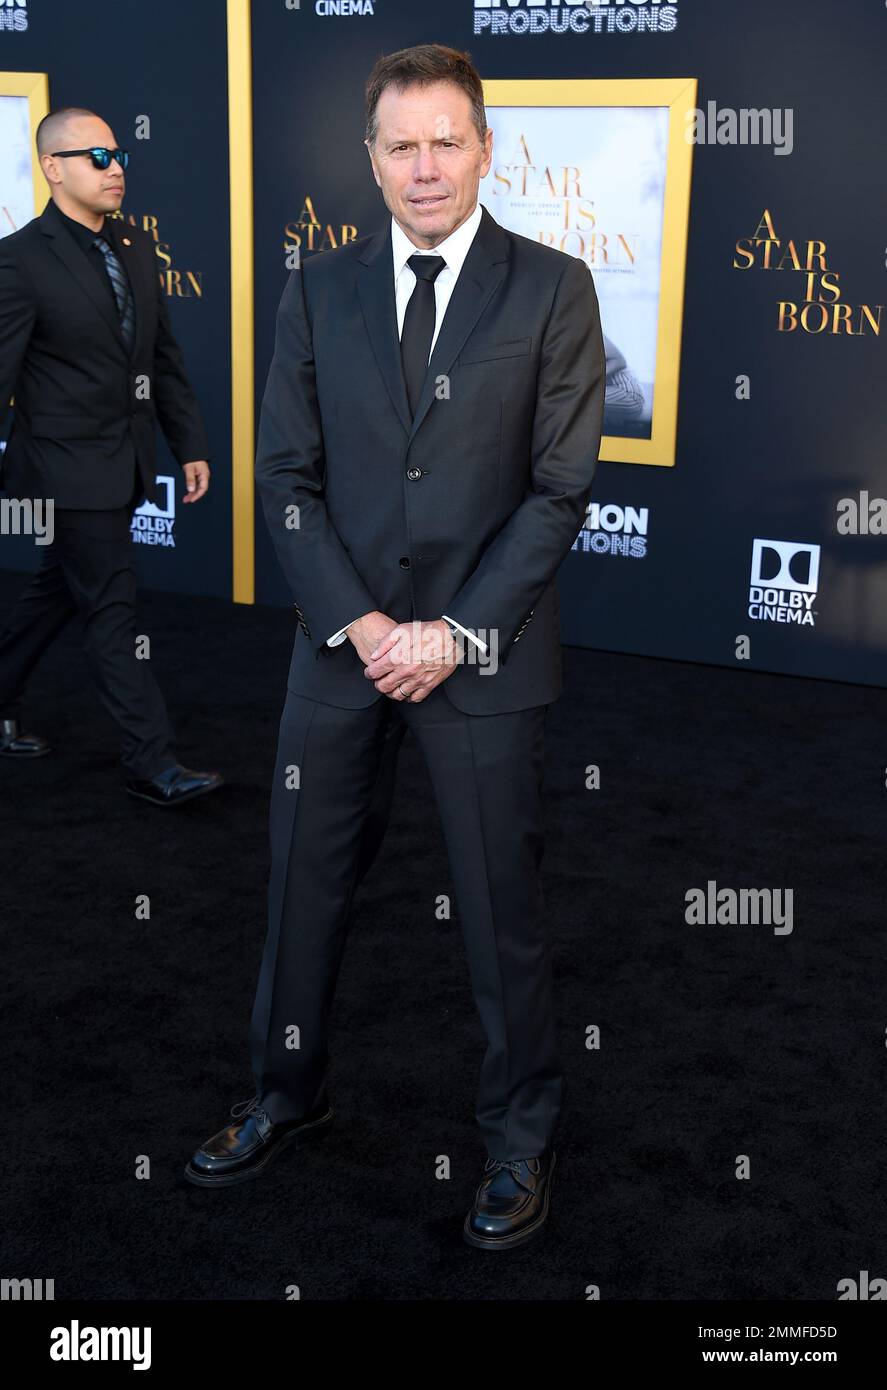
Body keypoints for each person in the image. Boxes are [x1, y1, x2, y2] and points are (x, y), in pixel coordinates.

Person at [186, 44, 605, 1249]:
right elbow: (285, 479)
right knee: (300, 887)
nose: (424, 166)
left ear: (486, 148)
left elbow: (558, 489)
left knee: (495, 908)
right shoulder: (317, 289)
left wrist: (454, 633)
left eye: (446, 140)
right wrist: (366, 626)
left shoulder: (553, 288)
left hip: (484, 659)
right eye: (400, 145)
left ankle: (519, 1139)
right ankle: (283, 1092)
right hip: (339, 649)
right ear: (370, 161)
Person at [0, 107, 222, 807]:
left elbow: (162, 357)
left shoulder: (131, 245)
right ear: (52, 168)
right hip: (60, 473)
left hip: (125, 462)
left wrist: (188, 444)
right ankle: (150, 763)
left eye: (118, 154)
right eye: (95, 157)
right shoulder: (18, 260)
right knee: (112, 608)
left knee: (56, 593)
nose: (115, 167)